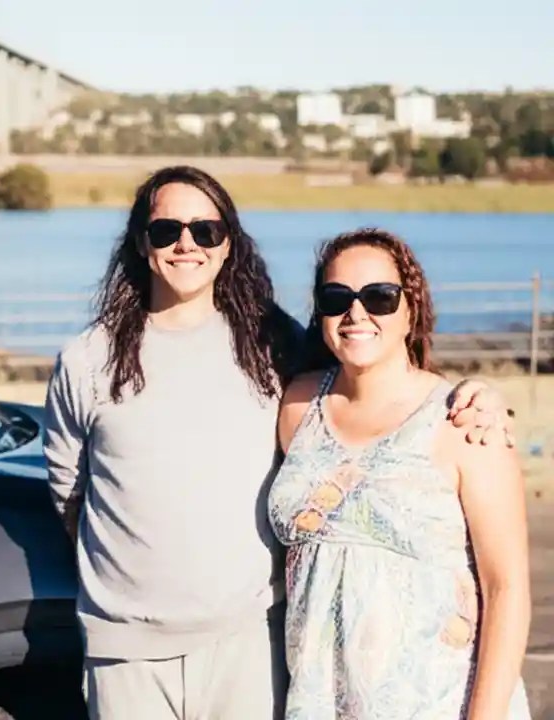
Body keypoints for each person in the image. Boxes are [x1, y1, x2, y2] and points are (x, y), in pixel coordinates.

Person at [42, 165, 515, 719]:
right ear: (142, 244)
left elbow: (375, 374)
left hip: (253, 646)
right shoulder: (87, 362)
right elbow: (69, 495)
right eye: (167, 230)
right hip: (129, 655)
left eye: (206, 231)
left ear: (228, 245)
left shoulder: (271, 344)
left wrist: (481, 394)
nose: (186, 244)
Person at [267, 228, 531, 718]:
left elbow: (507, 588)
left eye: (380, 297)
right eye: (336, 297)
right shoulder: (296, 406)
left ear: (412, 308)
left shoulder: (463, 423)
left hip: (440, 702)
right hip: (320, 700)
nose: (357, 313)